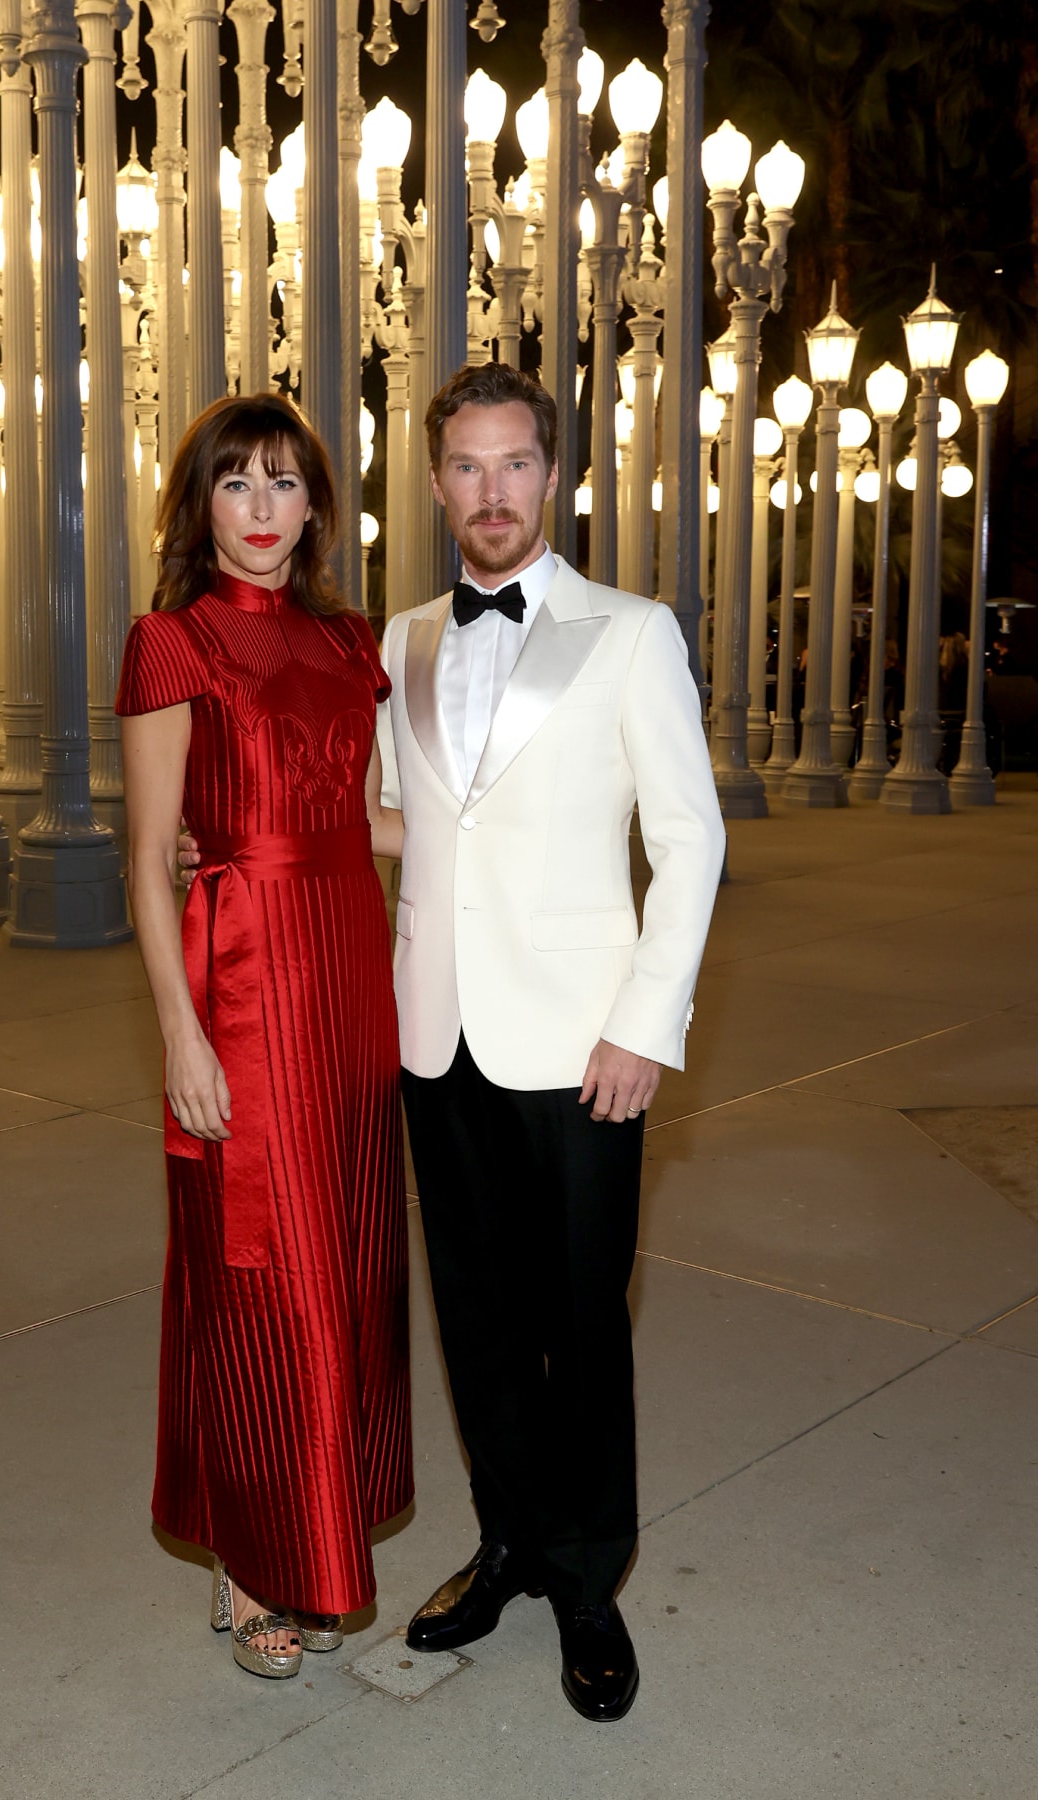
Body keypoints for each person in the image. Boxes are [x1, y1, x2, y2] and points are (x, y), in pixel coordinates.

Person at [378, 362, 725, 1723]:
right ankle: (510, 1537)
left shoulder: (630, 632)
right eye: (465, 467)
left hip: (585, 1047)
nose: (491, 492)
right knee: (475, 1320)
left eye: (514, 463)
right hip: (439, 1033)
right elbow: (405, 824)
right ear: (436, 482)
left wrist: (646, 1023)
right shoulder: (403, 640)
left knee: (581, 1327)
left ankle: (588, 1580)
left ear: (554, 473)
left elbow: (688, 840)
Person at [117, 393, 412, 1684]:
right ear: (202, 506)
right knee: (257, 1284)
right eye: (234, 484)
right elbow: (145, 861)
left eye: (283, 484)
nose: (259, 509)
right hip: (238, 990)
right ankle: (252, 1565)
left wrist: (538, 823)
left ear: (316, 507)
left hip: (350, 989)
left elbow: (371, 823)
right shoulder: (171, 643)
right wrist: (179, 1038)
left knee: (341, 1275)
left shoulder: (351, 646)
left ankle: (319, 1534)